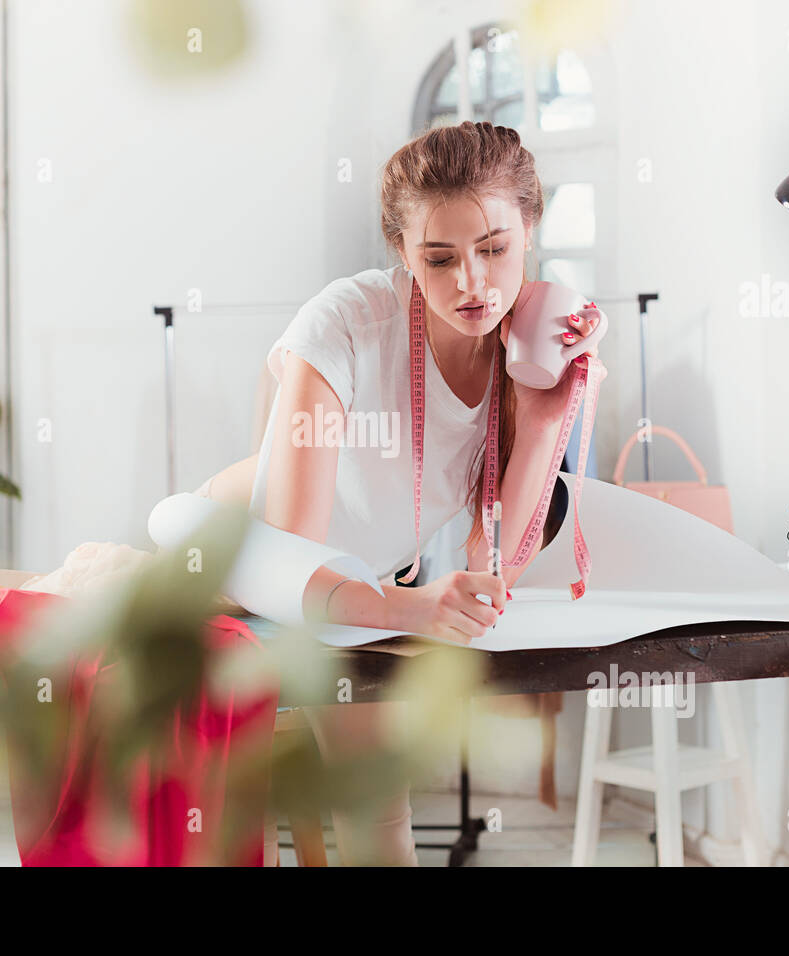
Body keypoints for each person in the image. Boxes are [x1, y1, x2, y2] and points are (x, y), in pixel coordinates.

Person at [197, 121, 603, 865]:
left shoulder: (524, 351)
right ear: (401, 253)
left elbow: (495, 572)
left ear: (532, 227)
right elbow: (287, 559)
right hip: (233, 563)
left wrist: (544, 418)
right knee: (235, 820)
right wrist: (410, 604)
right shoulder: (346, 323)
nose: (471, 284)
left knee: (377, 815)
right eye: (438, 258)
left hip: (354, 587)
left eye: (495, 249)